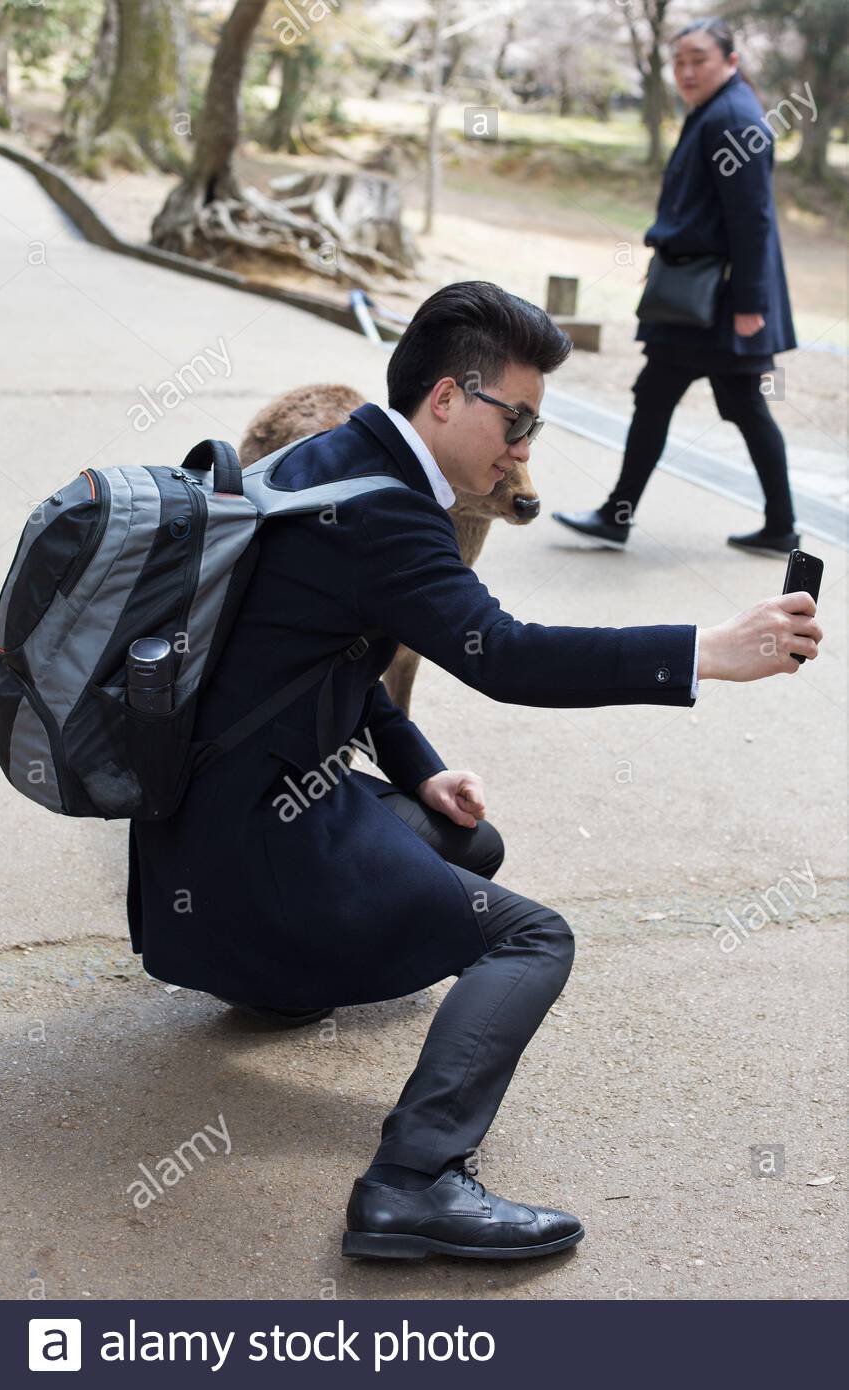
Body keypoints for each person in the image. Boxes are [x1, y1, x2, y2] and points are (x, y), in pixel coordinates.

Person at [127, 281, 821, 1262]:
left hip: (191, 856)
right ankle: (409, 1182)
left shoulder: (334, 457)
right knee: (534, 941)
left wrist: (420, 768)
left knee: (467, 837)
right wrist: (707, 646)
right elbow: (506, 654)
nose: (523, 453)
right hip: (254, 850)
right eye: (518, 420)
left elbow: (324, 659)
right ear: (445, 400)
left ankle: (282, 980)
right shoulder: (387, 515)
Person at [553, 16, 800, 558]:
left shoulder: (732, 116)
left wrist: (751, 304)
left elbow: (753, 218)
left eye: (699, 59)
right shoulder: (715, 110)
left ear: (730, 61)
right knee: (730, 406)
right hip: (700, 295)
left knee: (663, 398)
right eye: (679, 61)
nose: (686, 71)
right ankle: (780, 527)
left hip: (717, 300)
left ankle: (617, 517)